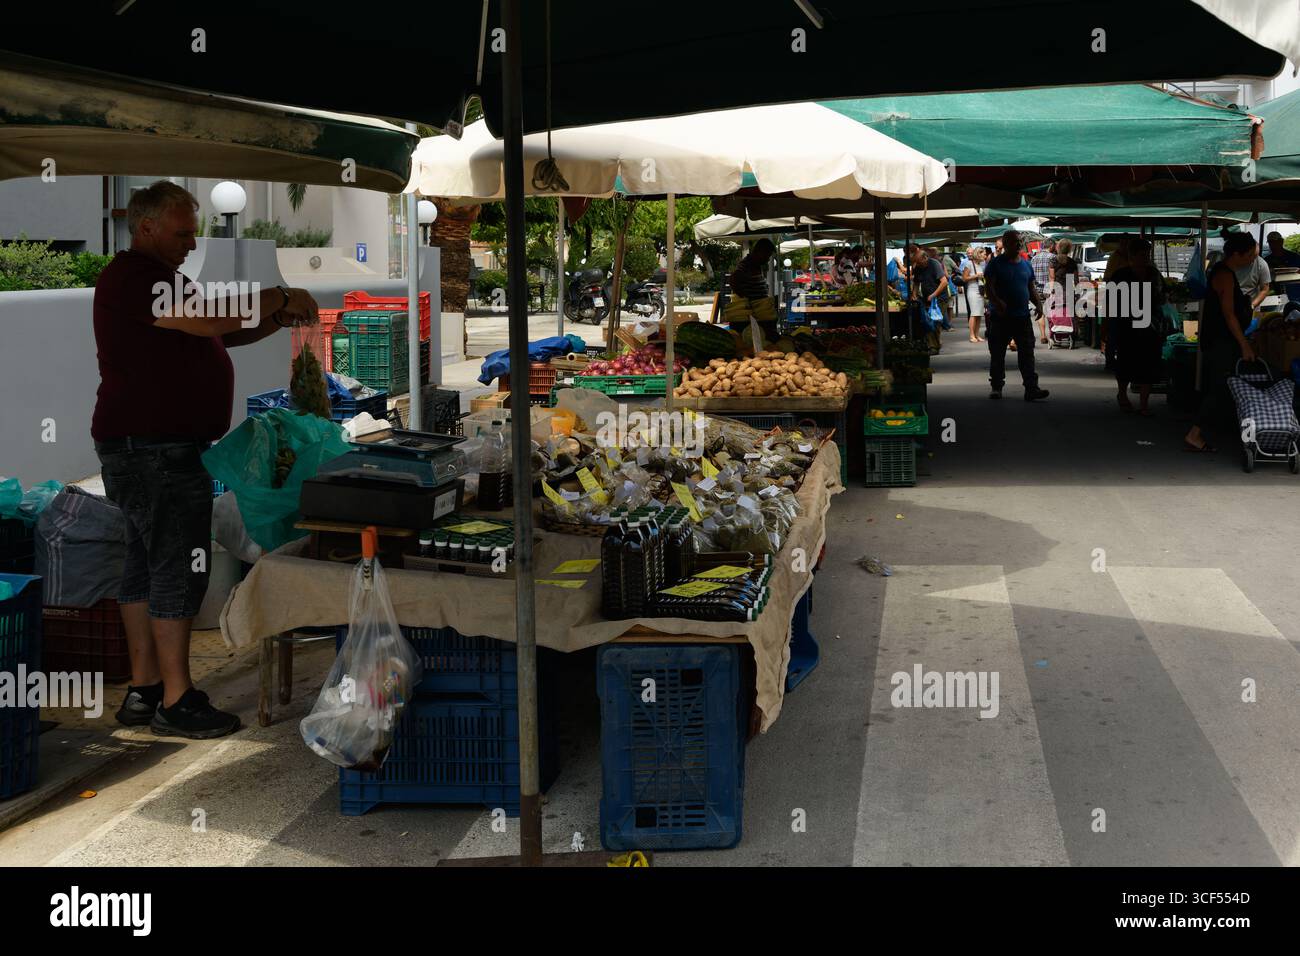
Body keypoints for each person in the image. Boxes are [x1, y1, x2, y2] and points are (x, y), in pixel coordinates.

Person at [93, 181, 320, 738]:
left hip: (146, 447)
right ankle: (178, 697)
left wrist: (273, 321)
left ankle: (146, 689)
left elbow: (214, 335)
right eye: (182, 231)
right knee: (177, 564)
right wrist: (276, 297)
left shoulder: (162, 283)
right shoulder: (133, 277)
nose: (192, 242)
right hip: (154, 450)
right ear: (146, 227)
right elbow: (202, 318)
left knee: (144, 565)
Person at [1184, 232, 1259, 452]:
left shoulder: (1224, 272)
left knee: (1220, 386)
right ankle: (1194, 434)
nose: (1253, 260)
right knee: (1220, 386)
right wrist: (1244, 344)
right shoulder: (1224, 275)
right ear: (1237, 254)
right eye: (1250, 256)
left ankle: (1203, 431)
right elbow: (1229, 315)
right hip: (1221, 341)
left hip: (1218, 339)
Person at [984, 230, 1049, 401]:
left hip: (1022, 317)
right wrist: (998, 302)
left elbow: (1030, 287)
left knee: (1027, 354)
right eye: (1014, 241)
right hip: (1001, 317)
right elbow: (988, 287)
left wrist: (1039, 305)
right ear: (1005, 244)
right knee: (997, 354)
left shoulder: (1026, 265)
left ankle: (1031, 389)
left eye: (1020, 241)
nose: (1019, 244)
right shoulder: (995, 264)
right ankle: (996, 387)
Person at [1109, 239, 1166, 416]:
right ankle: (1122, 394)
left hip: (1151, 327)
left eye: (1147, 254)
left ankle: (1143, 404)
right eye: (1142, 254)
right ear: (1132, 256)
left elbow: (1162, 296)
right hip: (1126, 327)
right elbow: (1111, 303)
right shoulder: (1120, 275)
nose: (1146, 258)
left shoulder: (1154, 274)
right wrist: (1109, 329)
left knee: (1149, 365)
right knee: (1126, 362)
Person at [909, 244, 950, 342]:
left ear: (925, 258)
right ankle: (932, 345)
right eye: (916, 263)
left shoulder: (934, 264)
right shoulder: (918, 267)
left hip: (940, 298)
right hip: (927, 298)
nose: (918, 265)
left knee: (935, 321)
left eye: (919, 263)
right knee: (928, 322)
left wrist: (934, 294)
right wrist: (914, 294)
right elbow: (916, 282)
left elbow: (944, 282)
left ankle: (933, 346)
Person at [1031, 239, 1056, 344]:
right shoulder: (1053, 257)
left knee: (1040, 312)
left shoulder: (1034, 258)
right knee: (1051, 312)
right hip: (1050, 288)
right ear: (1051, 246)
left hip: (1037, 288)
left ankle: (1042, 335)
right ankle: (1051, 335)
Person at [1264, 231, 1300, 302]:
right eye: (1271, 243)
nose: (1273, 245)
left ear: (1281, 242)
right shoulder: (1266, 260)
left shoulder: (1294, 257)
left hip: (1295, 296)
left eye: (1276, 242)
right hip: (1275, 297)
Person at [963, 246, 986, 343]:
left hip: (980, 290)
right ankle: (972, 335)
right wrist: (976, 275)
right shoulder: (969, 264)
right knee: (974, 313)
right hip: (972, 290)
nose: (985, 256)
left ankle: (977, 334)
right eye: (983, 254)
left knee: (979, 314)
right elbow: (964, 278)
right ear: (978, 253)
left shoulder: (980, 265)